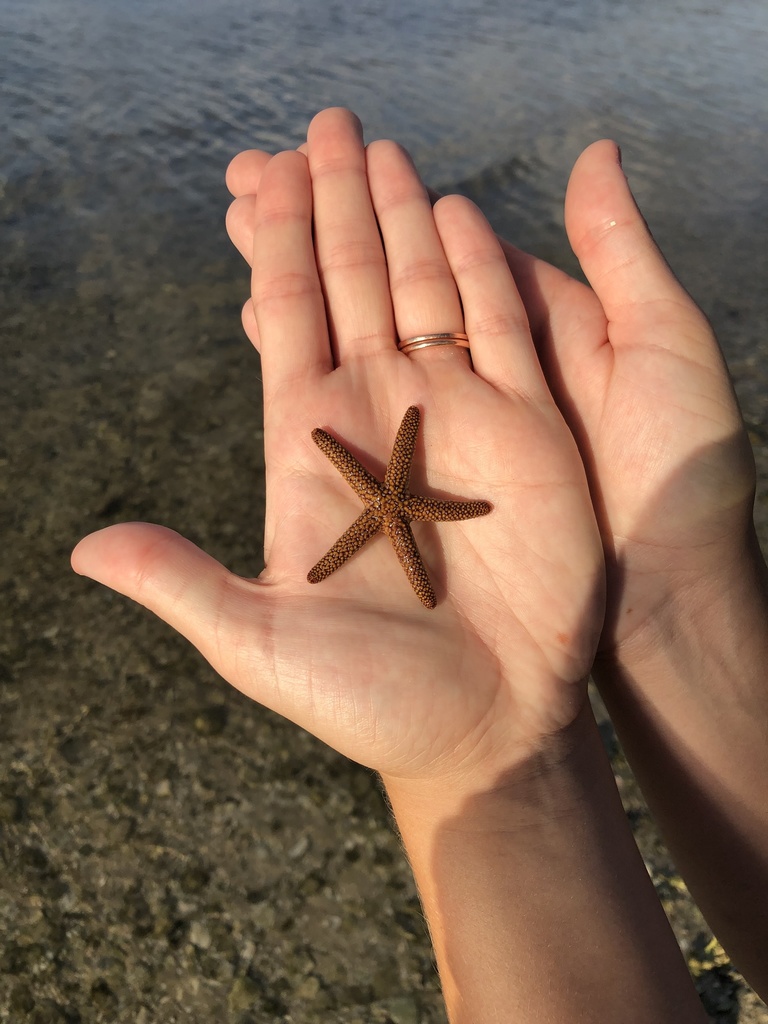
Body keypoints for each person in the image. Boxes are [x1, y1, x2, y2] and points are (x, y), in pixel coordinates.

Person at [72, 108, 768, 1021]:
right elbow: (395, 495)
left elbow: (400, 496)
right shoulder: (390, 500)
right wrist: (677, 594)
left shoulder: (393, 499)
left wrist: (492, 755)